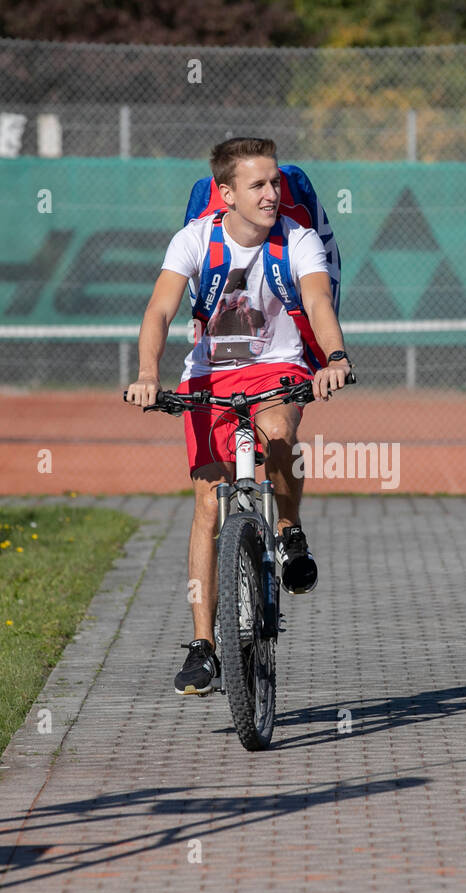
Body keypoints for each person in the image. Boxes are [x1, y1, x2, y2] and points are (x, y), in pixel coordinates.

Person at [125, 137, 353, 695]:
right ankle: (204, 645)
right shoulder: (195, 240)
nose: (272, 193)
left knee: (278, 433)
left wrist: (337, 357)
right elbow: (159, 309)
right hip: (208, 376)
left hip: (278, 367)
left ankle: (289, 530)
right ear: (225, 193)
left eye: (275, 182)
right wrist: (149, 375)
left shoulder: (297, 240)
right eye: (258, 185)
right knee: (208, 503)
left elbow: (319, 302)